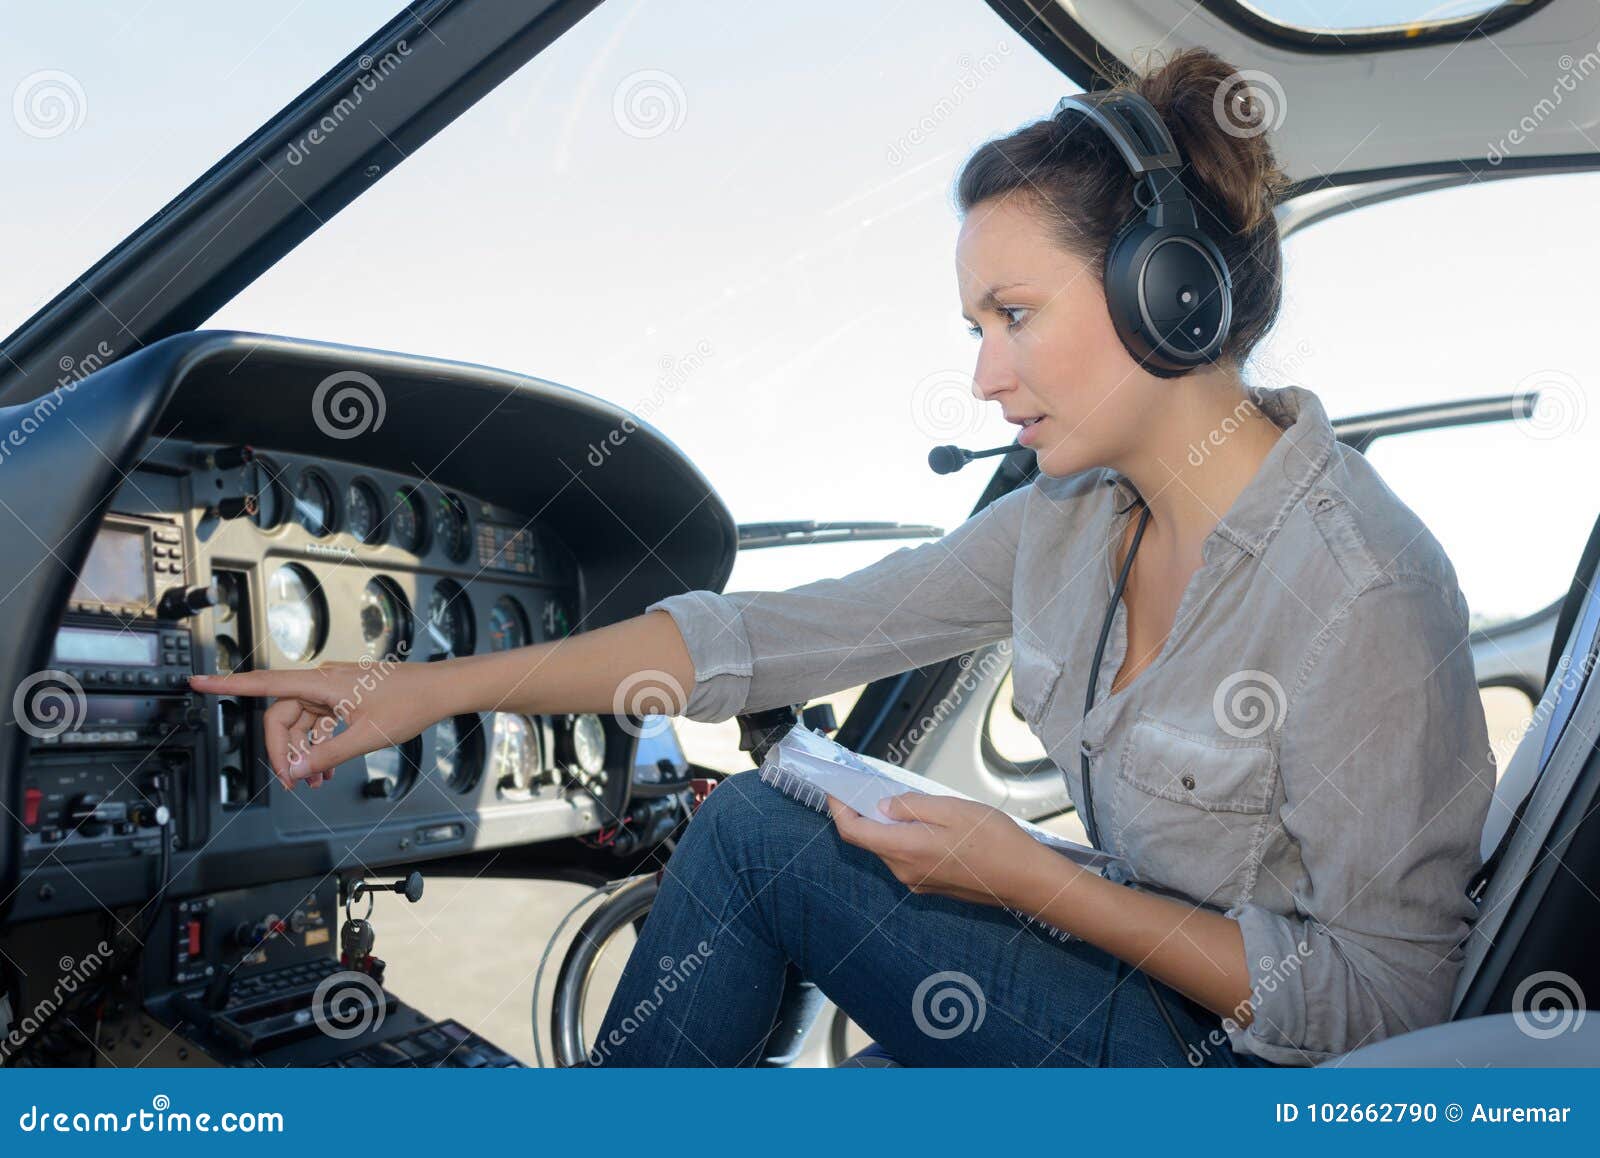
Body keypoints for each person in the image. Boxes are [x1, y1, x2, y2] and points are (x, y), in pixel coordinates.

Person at [191, 47, 1495, 1068]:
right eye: (977, 323)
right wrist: (423, 689)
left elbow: (1392, 1011)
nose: (985, 374)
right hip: (1132, 997)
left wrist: (1030, 877)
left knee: (759, 836)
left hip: (1251, 1078)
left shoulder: (1361, 588)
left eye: (1015, 315)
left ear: (1170, 291)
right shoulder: (1068, 522)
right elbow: (774, 638)